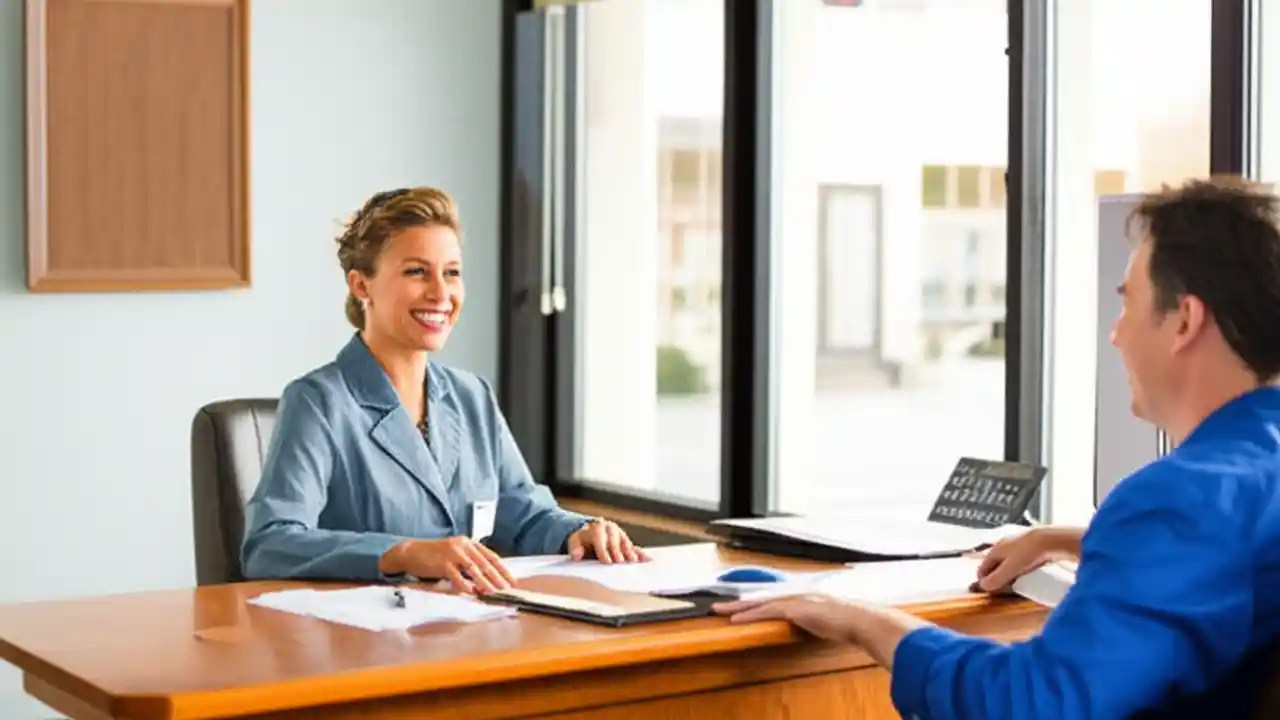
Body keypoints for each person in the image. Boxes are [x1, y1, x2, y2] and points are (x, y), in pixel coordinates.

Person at [715, 177, 1280, 719]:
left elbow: (1029, 704)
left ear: (1183, 320)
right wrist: (1082, 540)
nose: (1116, 334)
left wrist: (862, 620)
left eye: (1127, 302)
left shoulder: (1182, 497)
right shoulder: (1242, 484)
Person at [241, 187, 648, 593]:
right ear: (361, 285)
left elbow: (522, 513)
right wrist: (402, 553)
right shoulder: (319, 402)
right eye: (417, 271)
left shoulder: (472, 396)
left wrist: (579, 531)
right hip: (365, 642)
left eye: (451, 272)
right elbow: (270, 543)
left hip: (469, 628)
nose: (440, 293)